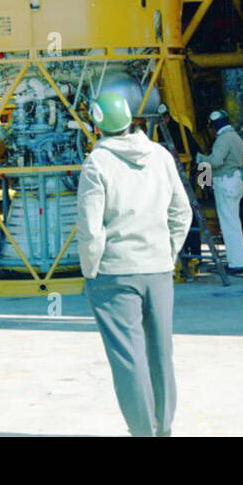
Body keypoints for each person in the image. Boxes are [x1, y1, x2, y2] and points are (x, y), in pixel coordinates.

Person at [76, 91, 192, 438]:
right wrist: (166, 254)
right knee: (161, 353)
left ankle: (143, 430)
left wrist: (91, 269)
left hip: (115, 272)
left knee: (128, 358)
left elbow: (90, 228)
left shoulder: (97, 164)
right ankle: (164, 427)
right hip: (157, 270)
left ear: (97, 125)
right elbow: (181, 212)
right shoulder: (160, 155)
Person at [196, 109, 243, 274]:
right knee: (234, 223)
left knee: (229, 225)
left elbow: (216, 161)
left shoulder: (223, 139)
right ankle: (238, 260)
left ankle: (237, 264)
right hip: (235, 180)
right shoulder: (235, 137)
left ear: (214, 125)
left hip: (225, 182)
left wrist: (201, 159)